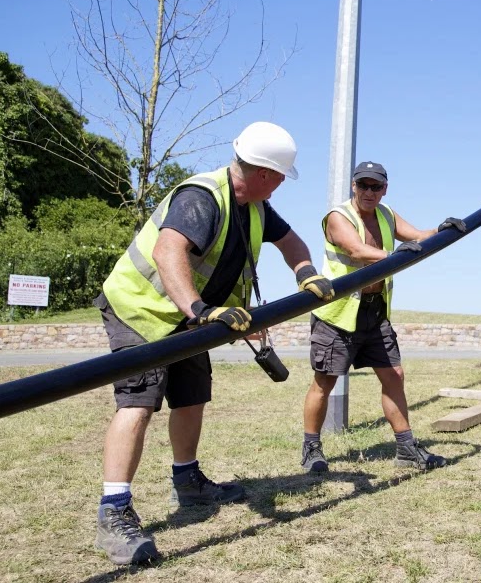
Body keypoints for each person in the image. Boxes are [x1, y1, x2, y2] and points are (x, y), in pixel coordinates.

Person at [91, 121, 334, 566]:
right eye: (281, 175)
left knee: (192, 397)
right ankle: (114, 509)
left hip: (191, 321)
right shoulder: (202, 197)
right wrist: (200, 311)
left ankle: (187, 481)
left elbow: (292, 242)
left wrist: (307, 273)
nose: (282, 183)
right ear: (263, 172)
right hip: (142, 312)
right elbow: (168, 251)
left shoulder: (256, 206)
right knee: (138, 404)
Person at [300, 160, 465, 474]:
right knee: (325, 382)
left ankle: (405, 448)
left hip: (374, 312)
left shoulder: (386, 214)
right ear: (354, 186)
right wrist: (399, 254)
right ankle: (312, 449)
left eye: (376, 186)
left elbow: (416, 236)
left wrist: (441, 231)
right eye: (363, 185)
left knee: (394, 376)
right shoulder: (338, 217)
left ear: (384, 189)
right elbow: (357, 251)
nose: (369, 192)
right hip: (338, 314)